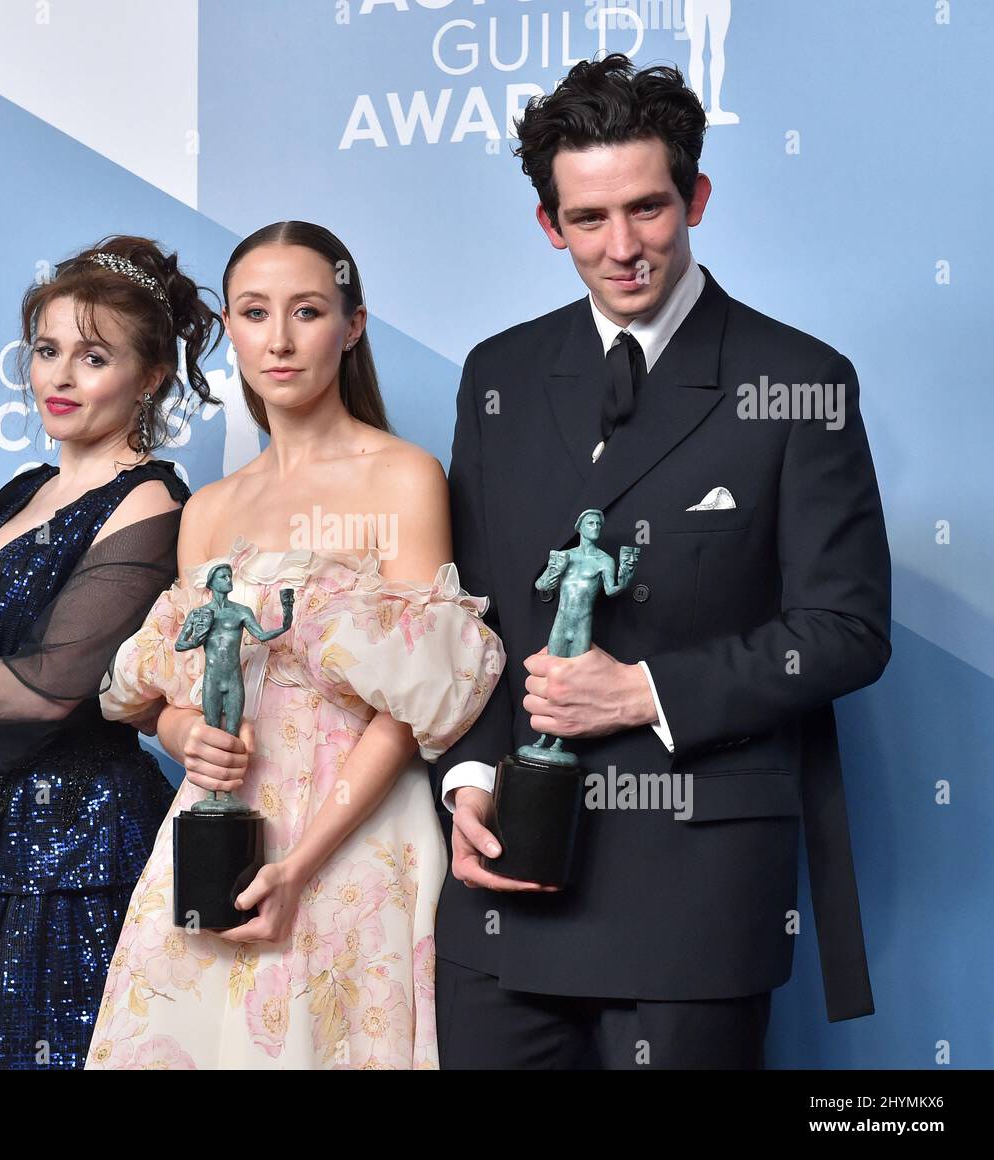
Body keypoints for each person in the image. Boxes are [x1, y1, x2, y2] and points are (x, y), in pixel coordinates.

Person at [433, 55, 891, 1068]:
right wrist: (463, 778)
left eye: (649, 208)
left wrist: (641, 691)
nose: (623, 247)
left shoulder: (798, 378)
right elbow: (469, 615)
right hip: (503, 886)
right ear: (550, 224)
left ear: (697, 198)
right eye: (587, 220)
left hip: (694, 892)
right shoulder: (498, 372)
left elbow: (847, 631)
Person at [84, 222, 504, 1070]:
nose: (278, 339)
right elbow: (168, 695)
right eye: (253, 312)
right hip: (217, 835)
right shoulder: (210, 509)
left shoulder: (404, 477)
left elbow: (418, 705)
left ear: (351, 326)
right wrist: (182, 737)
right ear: (230, 330)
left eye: (307, 311)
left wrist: (299, 868)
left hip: (355, 838)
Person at [0, 235, 222, 1068]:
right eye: (47, 351)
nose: (58, 377)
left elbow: (53, 685)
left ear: (151, 376)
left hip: (74, 860)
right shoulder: (18, 492)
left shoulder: (152, 501)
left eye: (93, 357)